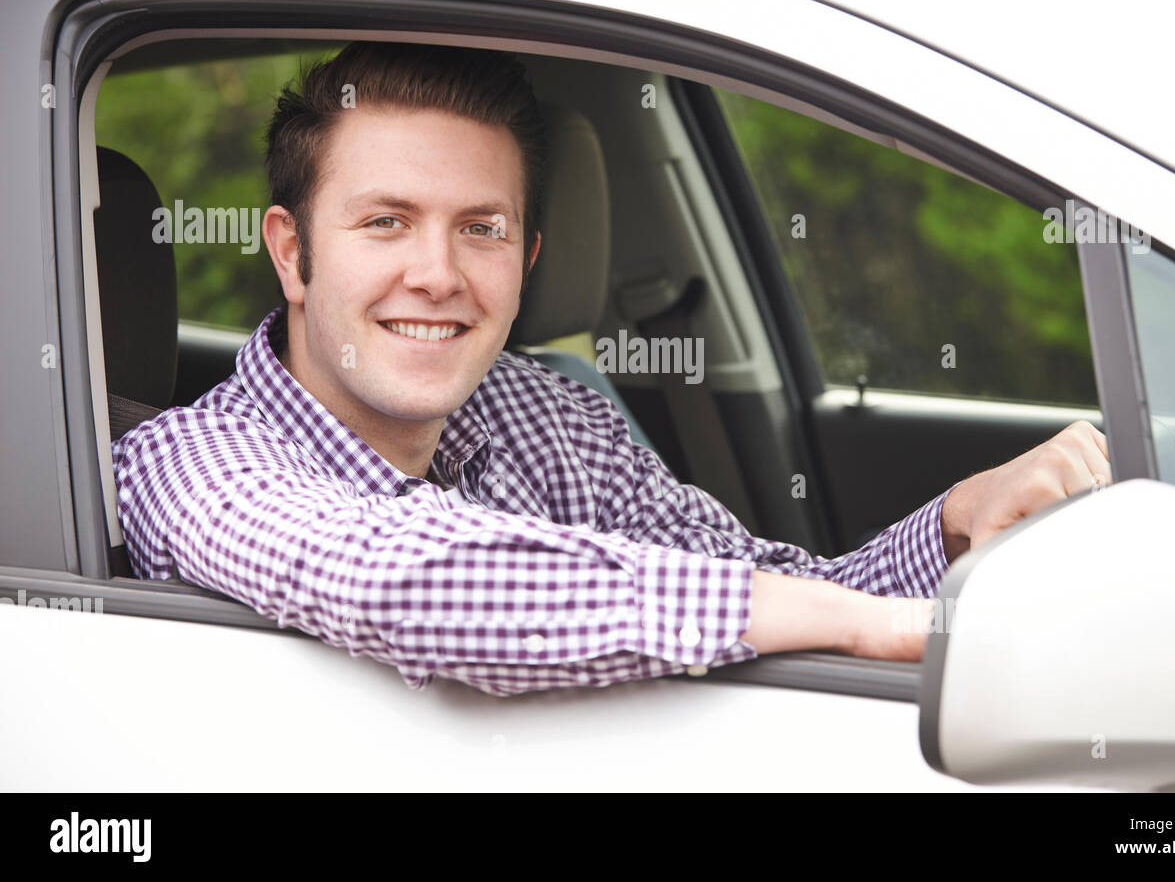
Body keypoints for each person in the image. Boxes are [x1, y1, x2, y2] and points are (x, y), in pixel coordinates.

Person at [111, 42, 1112, 697]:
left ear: (528, 260)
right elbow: (406, 578)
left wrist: (951, 525)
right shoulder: (186, 466)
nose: (438, 275)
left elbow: (771, 597)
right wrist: (850, 619)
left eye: (481, 230)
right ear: (290, 252)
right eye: (385, 223)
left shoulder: (546, 416)